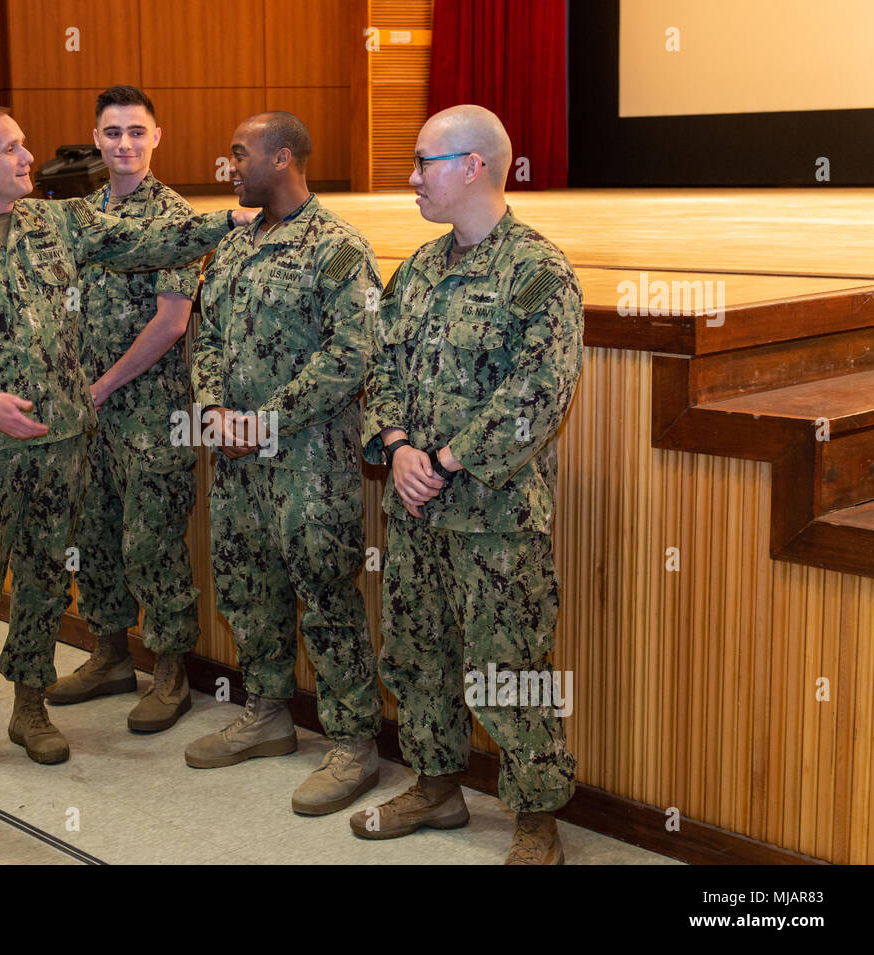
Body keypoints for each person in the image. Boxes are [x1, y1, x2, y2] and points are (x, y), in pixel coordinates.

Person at [0, 106, 250, 783]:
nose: (29, 157)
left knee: (44, 581)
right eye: (11, 148)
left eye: (24, 143)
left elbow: (143, 240)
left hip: (60, 448)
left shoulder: (57, 223)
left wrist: (222, 223)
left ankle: (30, 709)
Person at [350, 105, 583, 864]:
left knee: (510, 666)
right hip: (417, 514)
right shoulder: (416, 268)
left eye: (425, 162)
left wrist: (443, 459)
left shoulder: (538, 274)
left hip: (495, 519)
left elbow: (536, 398)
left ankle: (537, 815)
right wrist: (395, 445)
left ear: (474, 166)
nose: (412, 177)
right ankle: (436, 783)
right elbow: (379, 364)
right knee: (416, 656)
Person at [184, 111, 384, 817]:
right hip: (238, 462)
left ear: (284, 157)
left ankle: (354, 741)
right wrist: (213, 410)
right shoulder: (236, 247)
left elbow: (353, 353)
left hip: (309, 460)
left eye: (240, 153)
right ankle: (267, 712)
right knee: (246, 586)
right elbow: (204, 335)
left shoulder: (337, 250)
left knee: (327, 599)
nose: (228, 163)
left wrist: (264, 419)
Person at [44, 87, 202, 732]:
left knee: (152, 541)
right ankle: (110, 652)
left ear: (157, 138)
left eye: (137, 132)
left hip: (151, 412)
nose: (125, 145)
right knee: (93, 532)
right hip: (87, 414)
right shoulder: (78, 217)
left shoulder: (176, 220)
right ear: (96, 138)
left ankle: (170, 671)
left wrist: (101, 385)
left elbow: (170, 323)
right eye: (112, 133)